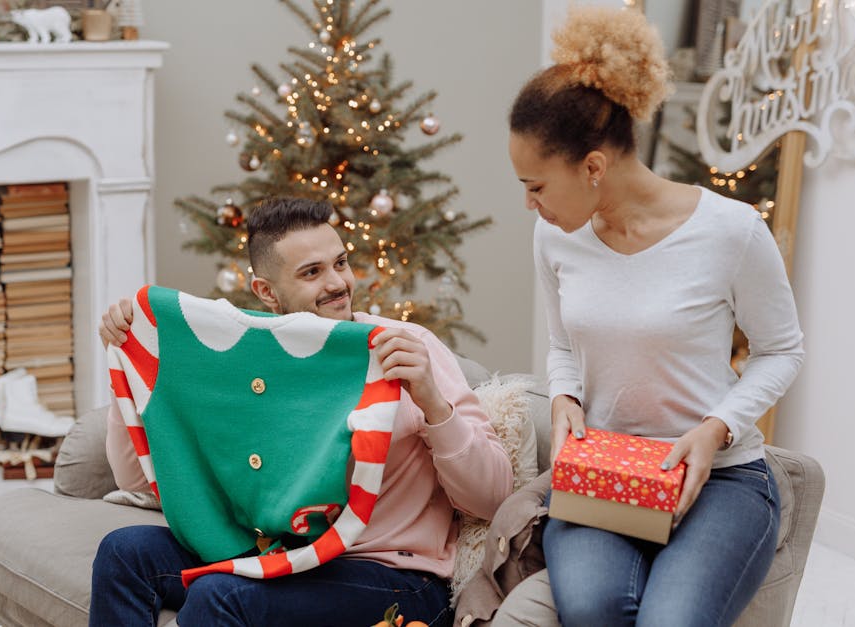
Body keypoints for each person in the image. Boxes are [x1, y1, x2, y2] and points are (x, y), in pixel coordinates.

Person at [506, 7, 804, 626]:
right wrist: (563, 397)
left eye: (536, 186)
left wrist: (714, 428)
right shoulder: (556, 237)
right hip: (605, 472)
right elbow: (563, 344)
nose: (529, 203)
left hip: (722, 479)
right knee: (592, 608)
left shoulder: (731, 232)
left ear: (593, 167)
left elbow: (783, 352)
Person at [90, 196, 512, 626]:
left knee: (221, 596)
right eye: (312, 272)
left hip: (394, 576)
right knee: (123, 551)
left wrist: (433, 403)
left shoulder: (405, 346)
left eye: (341, 263)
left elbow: (492, 498)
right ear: (267, 292)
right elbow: (135, 480)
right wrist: (129, 363)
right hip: (282, 554)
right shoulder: (251, 366)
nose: (338, 283)